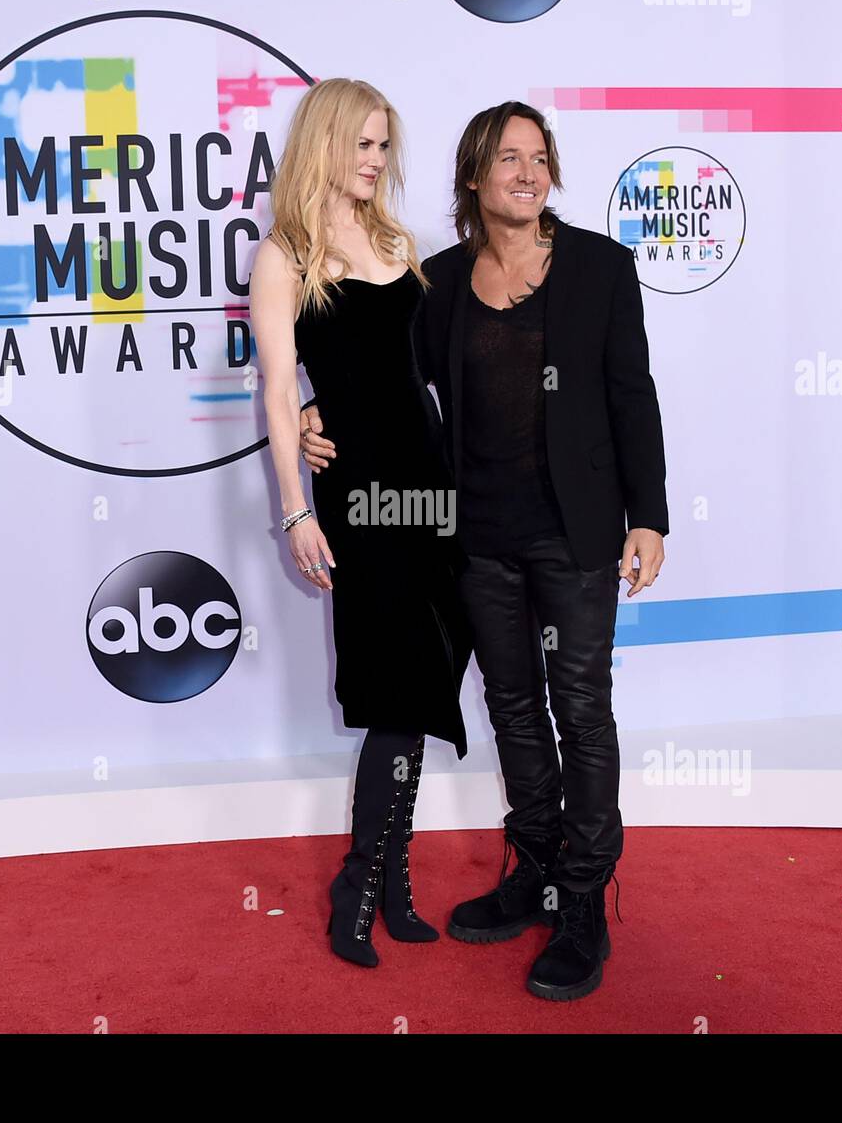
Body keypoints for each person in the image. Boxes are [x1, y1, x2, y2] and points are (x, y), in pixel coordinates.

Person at [300, 101, 669, 1000]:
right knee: (512, 706)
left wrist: (648, 515)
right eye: (508, 158)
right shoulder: (442, 281)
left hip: (576, 537)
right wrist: (319, 412)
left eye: (539, 158)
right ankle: (536, 870)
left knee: (580, 709)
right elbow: (383, 377)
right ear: (473, 176)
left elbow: (634, 393)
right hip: (479, 540)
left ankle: (584, 899)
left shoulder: (600, 268)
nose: (527, 173)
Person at [252, 78, 472, 969]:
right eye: (363, 145)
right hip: (362, 500)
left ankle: (388, 878)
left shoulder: (396, 242)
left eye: (385, 146)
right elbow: (275, 390)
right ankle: (361, 881)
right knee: (394, 690)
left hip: (433, 490)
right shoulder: (287, 253)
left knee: (420, 693)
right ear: (326, 144)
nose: (377, 161)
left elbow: (418, 374)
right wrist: (295, 507)